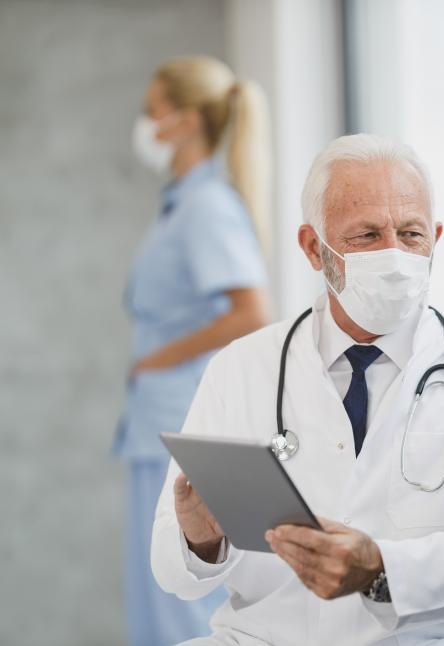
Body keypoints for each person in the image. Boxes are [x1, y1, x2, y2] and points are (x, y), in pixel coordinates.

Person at [151, 134, 444, 645]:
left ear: (436, 238)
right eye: (366, 236)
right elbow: (171, 572)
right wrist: (199, 540)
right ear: (314, 248)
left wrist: (383, 568)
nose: (394, 255)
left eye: (410, 234)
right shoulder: (241, 368)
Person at [116, 56, 272, 645]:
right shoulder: (182, 203)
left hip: (179, 423)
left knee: (181, 603)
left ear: (183, 121)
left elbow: (252, 311)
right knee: (157, 602)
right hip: (155, 423)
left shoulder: (207, 207)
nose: (145, 124)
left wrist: (154, 359)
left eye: (152, 111)